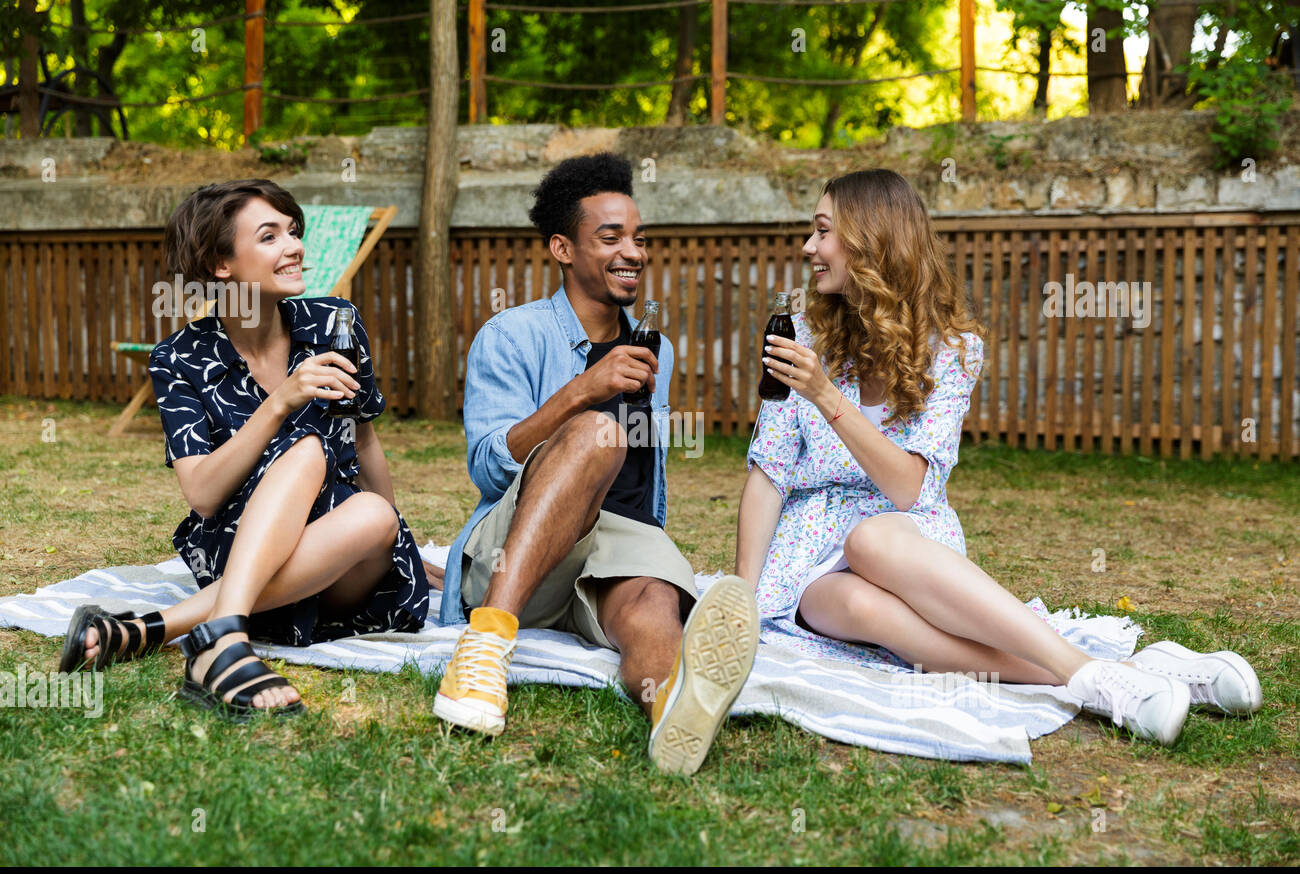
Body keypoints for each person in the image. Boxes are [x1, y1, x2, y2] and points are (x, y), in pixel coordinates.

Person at [735, 169, 1262, 746]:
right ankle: (1114, 676)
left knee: (872, 541)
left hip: (906, 533)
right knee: (854, 606)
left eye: (823, 232)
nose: (809, 247)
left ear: (871, 239)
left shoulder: (952, 350)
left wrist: (828, 398)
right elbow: (769, 474)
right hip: (810, 553)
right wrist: (741, 598)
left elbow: (909, 489)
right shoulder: (805, 342)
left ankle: (1101, 674)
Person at [60, 179, 437, 721]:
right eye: (269, 236)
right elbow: (205, 495)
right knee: (305, 450)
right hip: (237, 544)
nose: (294, 245)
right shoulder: (179, 357)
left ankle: (160, 630)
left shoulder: (335, 324)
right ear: (221, 265)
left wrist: (399, 543)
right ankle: (224, 636)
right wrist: (280, 401)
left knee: (377, 514)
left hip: (338, 550)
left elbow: (364, 437)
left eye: (293, 231)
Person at [437, 152, 759, 775]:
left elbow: (644, 482)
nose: (633, 251)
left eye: (639, 238)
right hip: (521, 555)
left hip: (615, 550)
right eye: (610, 237)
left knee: (653, 608)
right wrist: (581, 392)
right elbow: (487, 468)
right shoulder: (511, 335)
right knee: (597, 436)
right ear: (562, 248)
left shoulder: (651, 345)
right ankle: (484, 647)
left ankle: (671, 706)